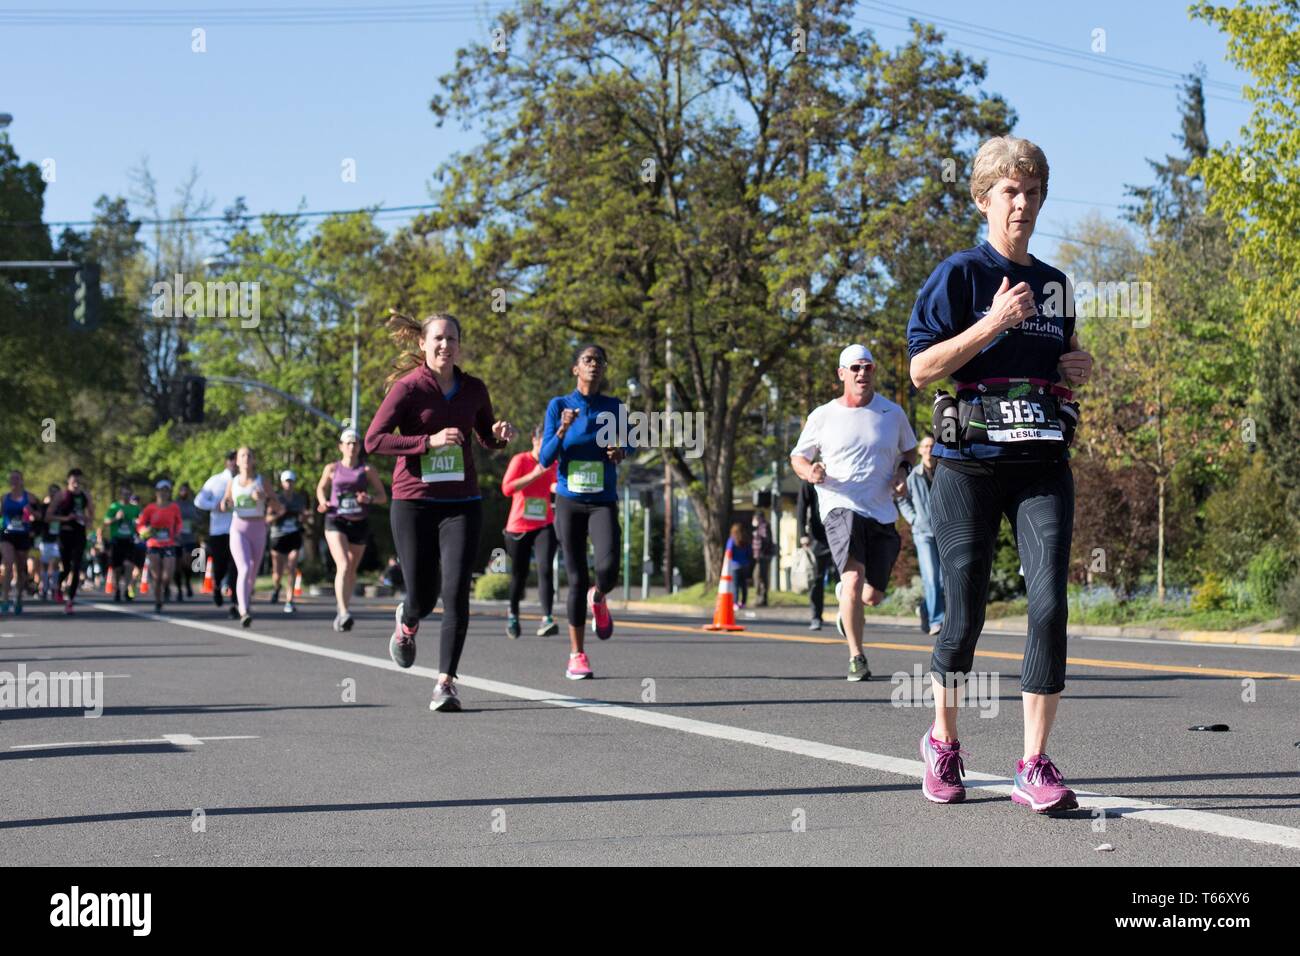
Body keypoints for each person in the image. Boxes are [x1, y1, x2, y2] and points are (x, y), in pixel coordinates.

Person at [907, 135, 1091, 812]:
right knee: (964, 614)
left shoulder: (1055, 285)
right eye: (1012, 191)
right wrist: (989, 324)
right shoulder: (958, 276)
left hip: (1042, 462)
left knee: (1048, 607)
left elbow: (1062, 359)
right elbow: (922, 369)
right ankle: (944, 741)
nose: (1024, 203)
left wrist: (1078, 369)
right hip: (968, 467)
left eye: (1034, 191)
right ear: (984, 199)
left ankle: (1034, 763)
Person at [365, 310, 515, 712]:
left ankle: (445, 682)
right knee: (424, 595)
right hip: (413, 501)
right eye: (438, 339)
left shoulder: (474, 389)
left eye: (452, 339)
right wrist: (425, 443)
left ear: (459, 345)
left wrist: (498, 437)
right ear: (423, 344)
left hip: (461, 503)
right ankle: (408, 622)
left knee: (455, 593)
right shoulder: (408, 389)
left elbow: (483, 435)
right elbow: (373, 441)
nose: (445, 345)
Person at [790, 344, 917, 681]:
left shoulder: (892, 413)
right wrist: (809, 472)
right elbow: (798, 457)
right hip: (839, 504)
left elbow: (910, 449)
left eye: (868, 368)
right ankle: (857, 657)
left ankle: (847, 602)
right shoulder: (823, 415)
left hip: (882, 511)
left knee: (871, 596)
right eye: (856, 368)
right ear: (842, 374)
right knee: (853, 578)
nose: (863, 374)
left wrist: (902, 472)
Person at [539, 344, 630, 680]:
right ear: (575, 368)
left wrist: (621, 450)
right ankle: (577, 654)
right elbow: (545, 458)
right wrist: (562, 429)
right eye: (588, 360)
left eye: (599, 361)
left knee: (608, 568)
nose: (594, 365)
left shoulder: (614, 407)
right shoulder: (559, 406)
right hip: (569, 500)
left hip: (602, 499)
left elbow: (630, 442)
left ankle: (601, 596)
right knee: (576, 577)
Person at [316, 433, 387, 630]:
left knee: (351, 570)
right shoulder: (331, 468)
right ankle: (344, 612)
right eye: (348, 443)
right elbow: (321, 488)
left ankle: (342, 611)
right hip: (336, 521)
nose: (352, 447)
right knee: (344, 565)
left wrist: (369, 499)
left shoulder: (367, 469)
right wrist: (323, 502)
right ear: (340, 446)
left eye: (355, 443)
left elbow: (383, 497)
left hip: (359, 523)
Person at [500, 425, 560, 639]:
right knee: (520, 573)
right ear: (534, 441)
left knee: (545, 569)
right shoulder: (520, 460)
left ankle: (547, 618)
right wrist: (535, 474)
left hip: (544, 523)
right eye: (545, 441)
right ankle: (513, 614)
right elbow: (507, 489)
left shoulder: (553, 464)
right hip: (519, 526)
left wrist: (562, 487)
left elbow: (554, 485)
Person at [219, 446, 285, 628]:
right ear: (237, 461)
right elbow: (224, 505)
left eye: (249, 455)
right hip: (239, 527)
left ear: (254, 460)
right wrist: (227, 503)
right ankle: (244, 610)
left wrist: (265, 498)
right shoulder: (233, 482)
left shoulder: (261, 481)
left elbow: (279, 508)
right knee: (245, 567)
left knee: (252, 573)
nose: (246, 458)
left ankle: (245, 601)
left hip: (258, 528)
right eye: (242, 456)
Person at [897, 435, 944, 636]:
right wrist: (913, 519)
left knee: (943, 581)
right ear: (919, 451)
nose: (928, 449)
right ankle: (937, 621)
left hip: (944, 531)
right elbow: (901, 499)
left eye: (931, 446)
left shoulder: (945, 472)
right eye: (925, 446)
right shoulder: (912, 475)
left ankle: (925, 609)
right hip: (922, 533)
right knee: (931, 578)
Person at [195, 451, 239, 611]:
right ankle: (217, 586)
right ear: (227, 462)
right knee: (220, 564)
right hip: (219, 530)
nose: (235, 463)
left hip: (238, 530)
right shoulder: (216, 481)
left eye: (237, 460)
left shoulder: (244, 481)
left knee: (236, 565)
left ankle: (235, 600)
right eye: (232, 460)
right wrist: (215, 504)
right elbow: (199, 500)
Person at [46, 469, 94, 613]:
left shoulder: (86, 495)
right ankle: (58, 585)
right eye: (74, 480)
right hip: (65, 533)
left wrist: (87, 520)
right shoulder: (61, 495)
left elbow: (91, 514)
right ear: (68, 480)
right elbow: (48, 516)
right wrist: (65, 519)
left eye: (79, 480)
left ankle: (70, 601)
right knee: (66, 567)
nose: (76, 483)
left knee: (76, 566)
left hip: (79, 534)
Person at [137, 479, 182, 615]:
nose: (163, 493)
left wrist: (177, 533)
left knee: (167, 575)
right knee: (156, 577)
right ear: (156, 492)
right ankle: (158, 602)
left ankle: (166, 587)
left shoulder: (174, 507)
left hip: (169, 544)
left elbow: (178, 522)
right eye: (161, 490)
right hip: (154, 544)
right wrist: (144, 530)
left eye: (166, 491)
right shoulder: (150, 508)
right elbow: (140, 524)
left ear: (169, 493)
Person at [796, 478, 835, 630]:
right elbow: (801, 507)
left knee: (845, 577)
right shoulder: (811, 478)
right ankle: (816, 616)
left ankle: (847, 615)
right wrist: (802, 534)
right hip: (818, 537)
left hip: (840, 533)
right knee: (816, 579)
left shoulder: (840, 471)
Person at [269, 470, 308, 614]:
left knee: (291, 568)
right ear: (282, 482)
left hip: (294, 535)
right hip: (278, 536)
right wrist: (280, 514)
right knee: (278, 572)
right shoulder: (276, 498)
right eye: (286, 481)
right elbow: (267, 519)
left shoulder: (299, 499)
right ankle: (276, 587)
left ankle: (289, 600)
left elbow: (304, 516)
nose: (289, 484)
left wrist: (304, 517)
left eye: (291, 481)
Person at [1, 470, 35, 615]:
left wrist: (31, 513)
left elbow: (40, 515)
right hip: (7, 534)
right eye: (12, 478)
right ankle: (5, 599)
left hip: (23, 535)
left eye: (16, 478)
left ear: (22, 480)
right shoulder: (4, 498)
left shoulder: (30, 498)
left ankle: (19, 598)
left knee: (20, 569)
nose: (14, 481)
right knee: (8, 564)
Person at [102, 485, 141, 603]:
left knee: (129, 565)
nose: (126, 496)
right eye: (124, 494)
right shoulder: (114, 507)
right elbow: (106, 521)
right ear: (121, 495)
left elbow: (142, 522)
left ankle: (126, 589)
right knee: (117, 568)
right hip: (117, 540)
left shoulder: (135, 508)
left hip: (129, 540)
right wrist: (116, 518)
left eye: (128, 494)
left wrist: (138, 523)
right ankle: (117, 589)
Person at [173, 482, 200, 602]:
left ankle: (188, 583)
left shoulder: (192, 504)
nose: (184, 492)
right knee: (177, 566)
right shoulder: (174, 505)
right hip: (177, 538)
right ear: (179, 492)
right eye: (182, 490)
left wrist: (195, 524)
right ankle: (179, 590)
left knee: (187, 563)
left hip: (190, 538)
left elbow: (198, 518)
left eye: (186, 490)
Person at [36, 484, 63, 601]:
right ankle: (44, 587)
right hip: (45, 539)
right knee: (45, 565)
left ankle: (54, 588)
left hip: (57, 540)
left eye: (56, 492)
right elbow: (41, 520)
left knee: (56, 563)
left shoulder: (62, 507)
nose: (53, 494)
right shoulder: (44, 507)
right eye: (52, 492)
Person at [725, 522, 754, 610]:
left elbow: (728, 552)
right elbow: (750, 553)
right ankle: (743, 602)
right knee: (744, 585)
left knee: (735, 585)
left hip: (735, 566)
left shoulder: (732, 540)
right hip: (745, 565)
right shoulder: (746, 540)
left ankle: (735, 603)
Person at [751, 513, 774, 606]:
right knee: (759, 576)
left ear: (758, 519)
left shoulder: (763, 527)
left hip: (763, 556)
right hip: (762, 556)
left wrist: (760, 553)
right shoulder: (761, 527)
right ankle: (762, 598)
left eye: (754, 519)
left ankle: (761, 599)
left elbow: (765, 540)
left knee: (759, 577)